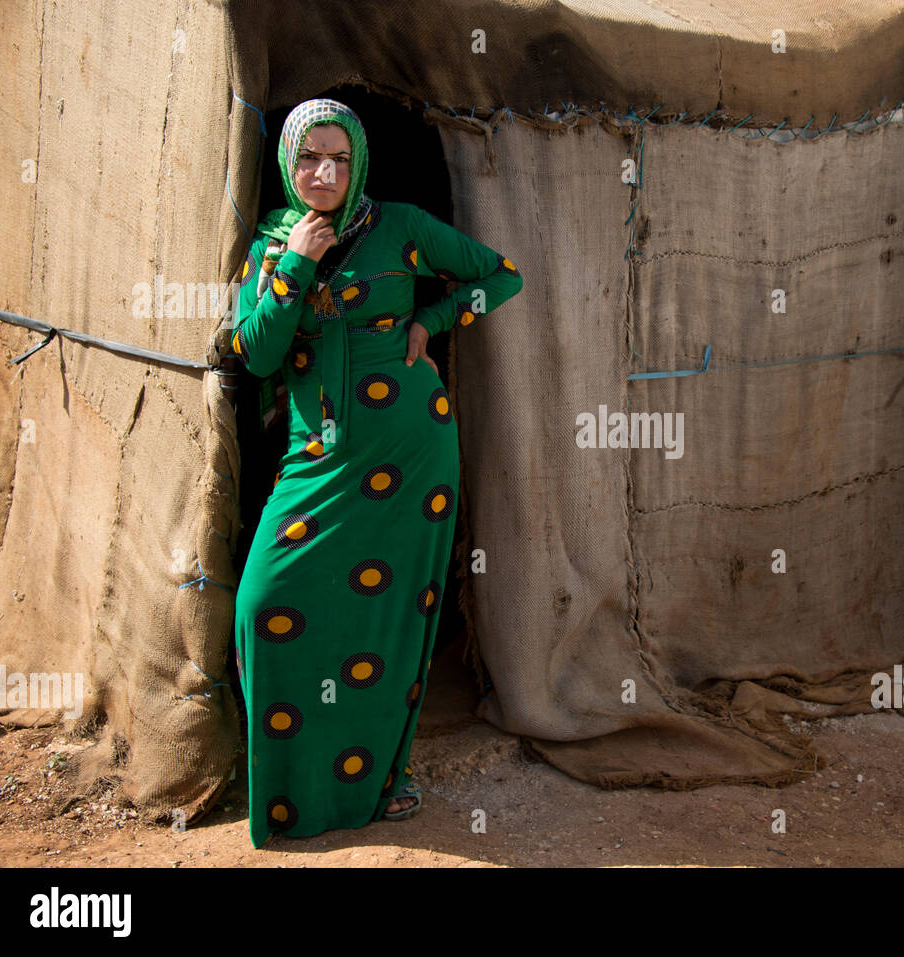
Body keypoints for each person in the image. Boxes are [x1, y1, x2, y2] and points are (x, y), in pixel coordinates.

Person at [230, 98, 522, 848]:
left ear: (358, 162)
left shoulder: (401, 226)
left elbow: (501, 277)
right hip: (316, 456)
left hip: (411, 449)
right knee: (267, 603)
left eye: (338, 158)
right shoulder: (270, 244)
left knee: (386, 619)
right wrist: (297, 260)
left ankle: (384, 777)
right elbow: (257, 354)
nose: (324, 173)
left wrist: (436, 319)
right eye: (308, 158)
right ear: (288, 164)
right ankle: (297, 790)